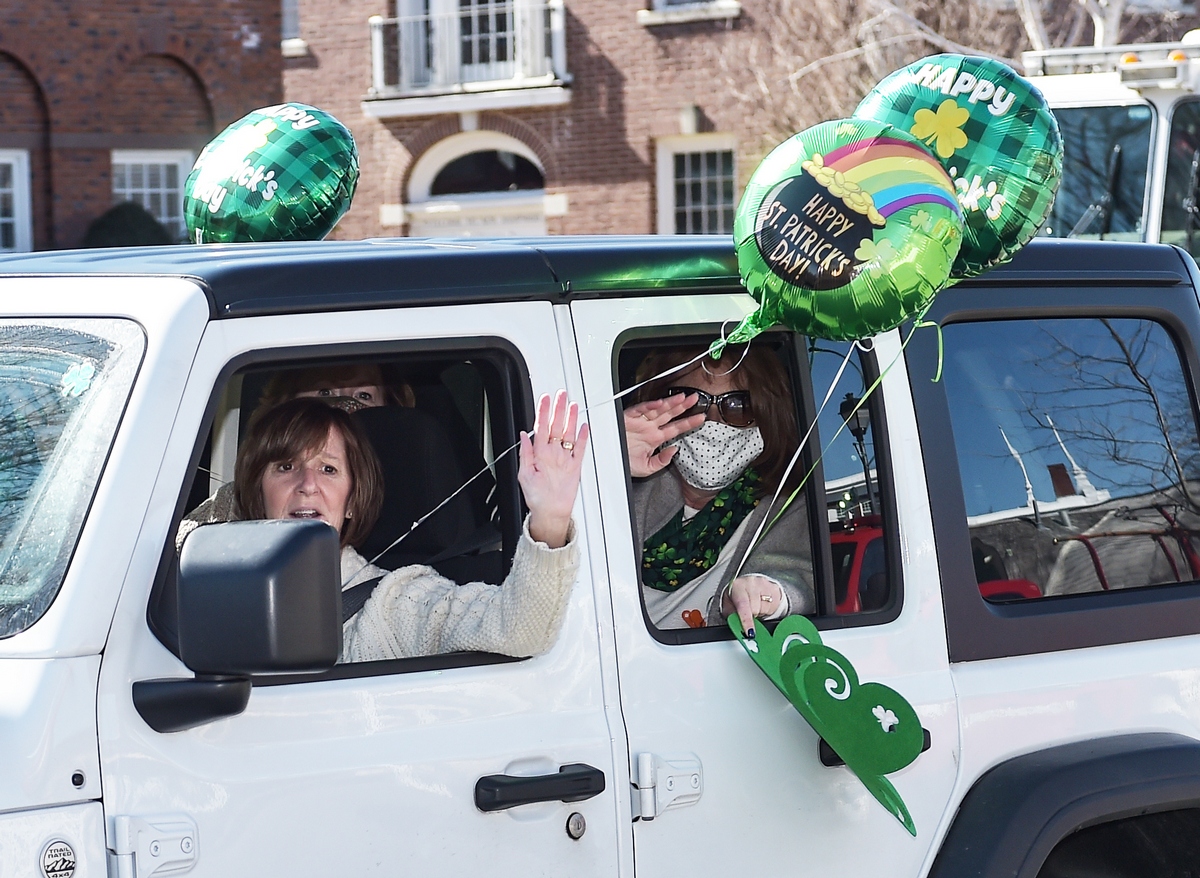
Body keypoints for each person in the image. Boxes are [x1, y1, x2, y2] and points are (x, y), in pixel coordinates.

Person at [177, 391, 588, 662]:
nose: (307, 485)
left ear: (353, 500)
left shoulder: (393, 601)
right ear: (256, 489)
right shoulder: (203, 583)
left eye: (328, 469)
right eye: (286, 467)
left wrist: (549, 518)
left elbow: (516, 630)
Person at [624, 344, 814, 635]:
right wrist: (607, 458)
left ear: (766, 417)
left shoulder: (785, 506)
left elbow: (800, 579)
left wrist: (766, 595)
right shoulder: (620, 490)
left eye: (739, 407)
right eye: (690, 403)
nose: (711, 422)